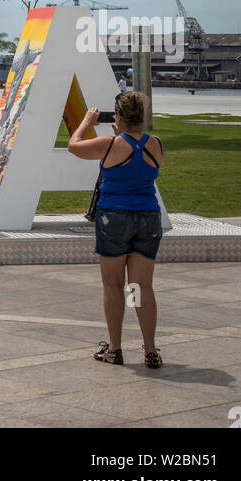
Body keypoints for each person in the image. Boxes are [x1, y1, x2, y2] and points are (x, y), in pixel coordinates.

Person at [67, 91, 165, 369]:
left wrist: (86, 121)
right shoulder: (156, 144)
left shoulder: (109, 144)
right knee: (140, 286)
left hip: (115, 219)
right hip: (148, 218)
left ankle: (115, 349)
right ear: (142, 117)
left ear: (118, 116)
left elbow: (74, 146)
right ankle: (150, 350)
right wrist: (124, 133)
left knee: (113, 285)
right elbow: (141, 166)